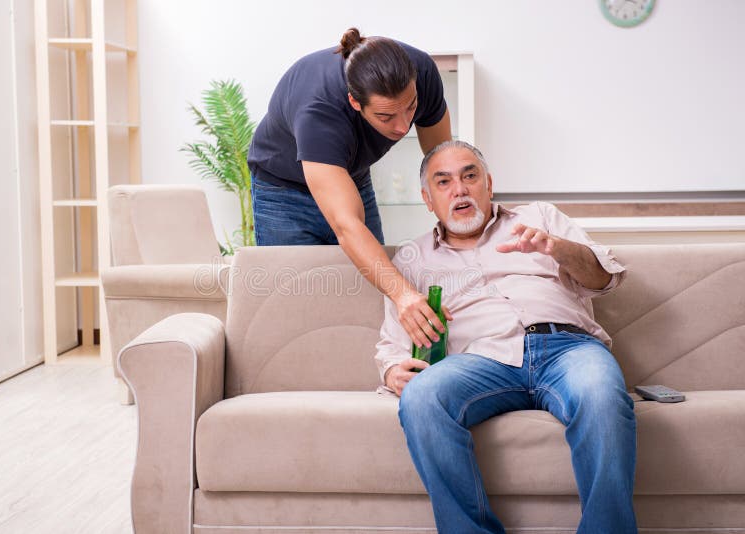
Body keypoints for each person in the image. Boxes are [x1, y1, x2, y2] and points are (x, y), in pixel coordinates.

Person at [375, 140, 637, 533]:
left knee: (601, 391)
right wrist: (392, 370)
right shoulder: (412, 258)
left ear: (489, 183)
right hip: (481, 361)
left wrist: (558, 248)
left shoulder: (539, 217)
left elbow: (604, 277)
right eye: (443, 182)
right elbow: (393, 344)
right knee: (422, 395)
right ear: (428, 200)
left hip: (567, 348)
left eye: (469, 176)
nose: (459, 189)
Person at [248, 27, 453, 353]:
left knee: (372, 294)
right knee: (295, 305)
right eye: (386, 116)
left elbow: (443, 163)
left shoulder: (421, 71)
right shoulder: (319, 108)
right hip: (282, 189)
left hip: (351, 175)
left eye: (410, 108)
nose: (402, 127)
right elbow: (347, 225)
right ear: (354, 102)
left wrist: (460, 226)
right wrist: (404, 295)